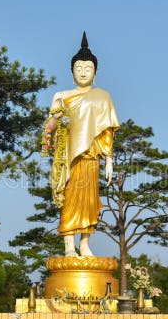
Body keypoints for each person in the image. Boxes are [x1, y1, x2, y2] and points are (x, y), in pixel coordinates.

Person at [43, 32, 119, 257]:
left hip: (91, 158)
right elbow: (50, 126)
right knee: (68, 200)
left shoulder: (103, 97)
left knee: (89, 202)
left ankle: (84, 244)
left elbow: (106, 131)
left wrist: (109, 160)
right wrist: (54, 125)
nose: (83, 72)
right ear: (72, 71)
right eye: (79, 68)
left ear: (95, 72)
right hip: (68, 157)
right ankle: (68, 245)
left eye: (88, 69)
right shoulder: (62, 95)